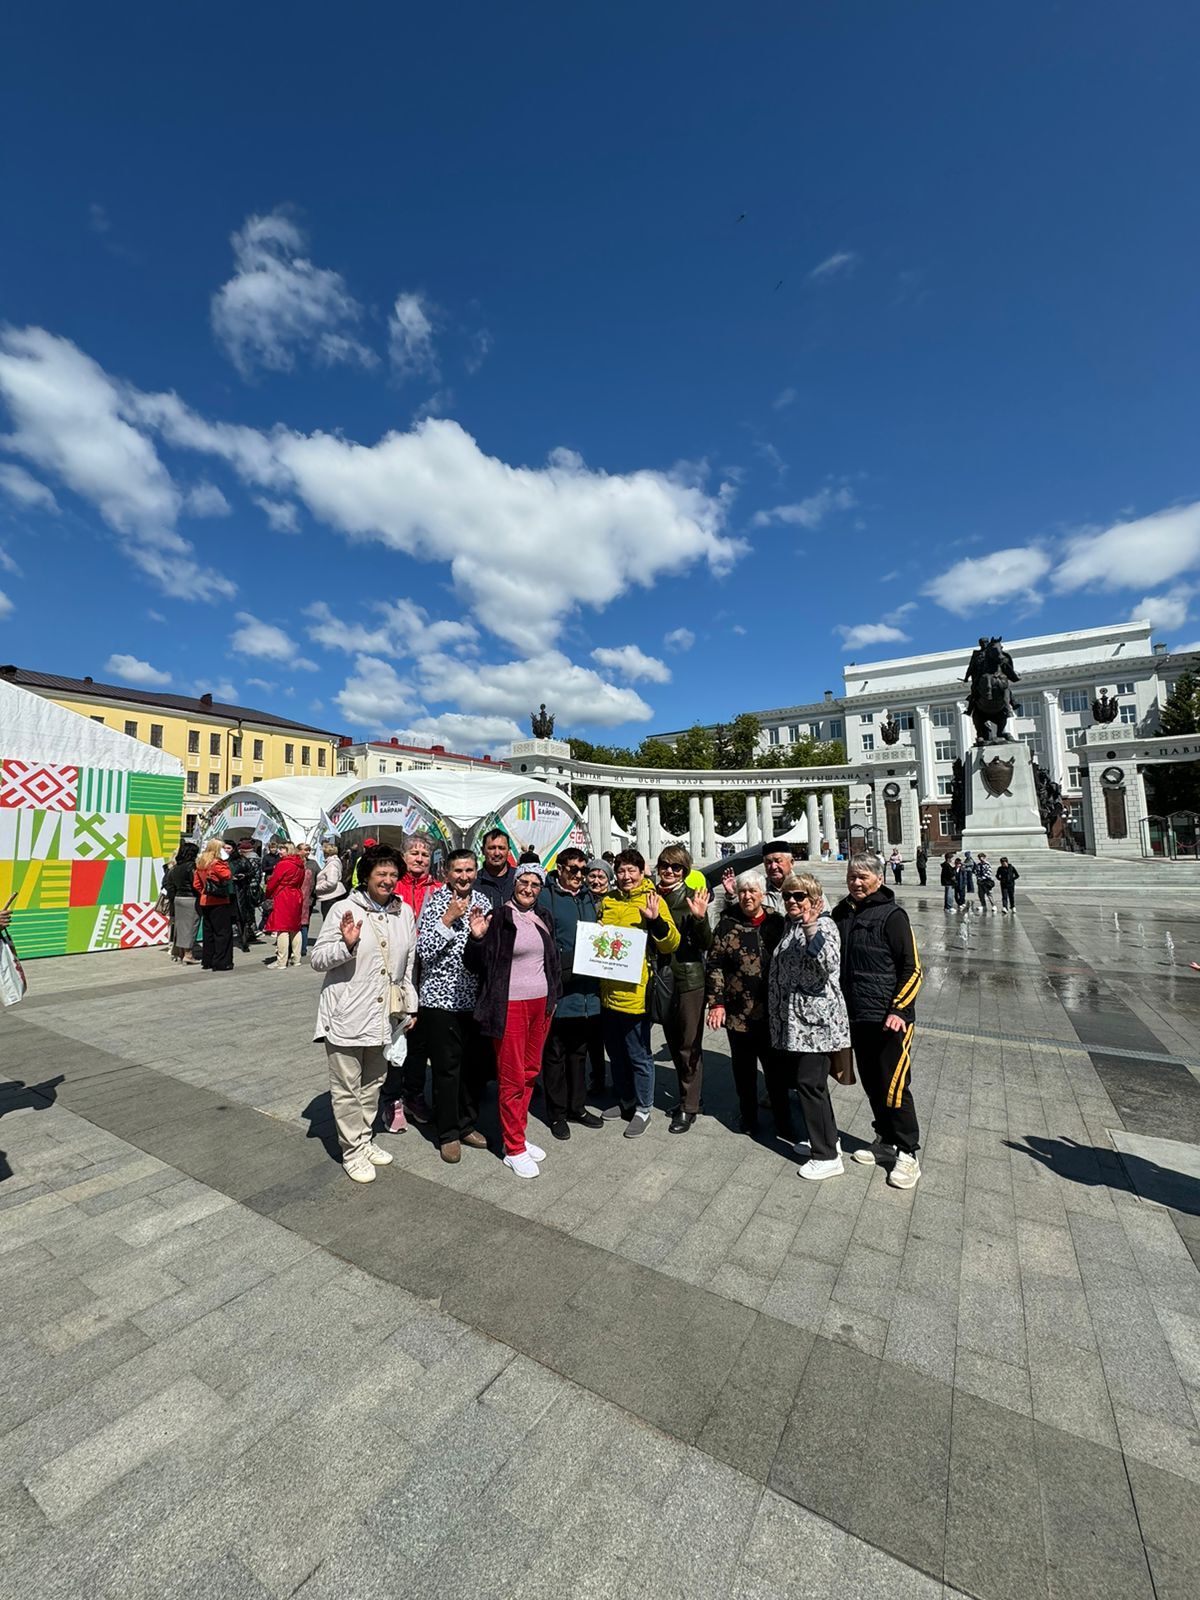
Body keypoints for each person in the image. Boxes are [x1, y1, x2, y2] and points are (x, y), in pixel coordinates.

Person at [310, 843, 417, 1183]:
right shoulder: (344, 909)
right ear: (366, 876)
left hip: (384, 1012)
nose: (387, 880)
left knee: (374, 1082)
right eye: (380, 874)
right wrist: (347, 945)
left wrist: (409, 1004)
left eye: (393, 875)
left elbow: (409, 963)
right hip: (347, 1011)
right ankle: (352, 1150)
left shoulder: (404, 912)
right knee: (346, 1087)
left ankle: (364, 1138)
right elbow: (317, 960)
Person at [832, 853, 923, 1190]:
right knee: (872, 1081)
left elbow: (911, 967)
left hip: (889, 1019)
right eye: (852, 876)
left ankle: (908, 1151)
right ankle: (885, 1139)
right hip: (855, 1015)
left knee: (895, 1084)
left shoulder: (893, 915)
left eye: (863, 876)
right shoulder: (841, 912)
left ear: (879, 879)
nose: (856, 882)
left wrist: (899, 1009)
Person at [465, 862, 561, 1177]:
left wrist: (553, 998)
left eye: (535, 884)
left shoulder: (542, 916)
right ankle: (513, 1147)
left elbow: (552, 961)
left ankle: (517, 1134)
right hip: (509, 1005)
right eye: (524, 882)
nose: (529, 888)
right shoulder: (499, 917)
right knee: (511, 1077)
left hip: (540, 1005)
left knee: (531, 1072)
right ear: (515, 883)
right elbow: (476, 964)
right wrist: (477, 938)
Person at [768, 871, 849, 1180]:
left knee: (809, 1084)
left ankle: (826, 1155)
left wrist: (812, 925)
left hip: (818, 1024)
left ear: (814, 899)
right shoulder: (792, 926)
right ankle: (829, 1141)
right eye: (787, 895)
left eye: (798, 896)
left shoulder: (823, 925)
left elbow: (828, 961)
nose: (791, 900)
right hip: (799, 1025)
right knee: (813, 1085)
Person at [416, 848, 494, 1163]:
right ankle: (447, 1132)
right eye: (458, 871)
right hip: (439, 1000)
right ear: (447, 873)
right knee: (447, 1069)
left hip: (471, 1000)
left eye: (469, 871)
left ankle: (466, 1123)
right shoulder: (434, 902)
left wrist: (480, 938)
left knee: (473, 1068)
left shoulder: (485, 903)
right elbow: (424, 951)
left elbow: (489, 950)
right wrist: (448, 920)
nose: (464, 877)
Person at [598, 848, 680, 1137]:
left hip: (636, 990)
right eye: (621, 870)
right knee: (616, 1052)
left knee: (638, 1054)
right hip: (607, 991)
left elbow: (671, 943)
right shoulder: (607, 901)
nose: (626, 876)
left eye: (632, 870)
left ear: (642, 870)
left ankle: (644, 1108)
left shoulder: (652, 899)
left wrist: (656, 920)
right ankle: (626, 1100)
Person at [705, 869, 791, 1138]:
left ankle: (783, 1119)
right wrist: (716, 1003)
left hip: (771, 1013)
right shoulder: (727, 923)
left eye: (752, 891)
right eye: (742, 891)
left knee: (776, 1072)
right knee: (743, 1071)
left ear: (762, 894)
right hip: (737, 1014)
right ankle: (749, 1116)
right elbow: (715, 964)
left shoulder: (777, 922)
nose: (747, 896)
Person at [536, 847, 605, 1139]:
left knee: (579, 1053)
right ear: (560, 868)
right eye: (573, 869)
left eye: (583, 870)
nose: (579, 875)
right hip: (560, 989)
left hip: (587, 992)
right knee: (555, 1055)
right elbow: (542, 942)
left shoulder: (589, 898)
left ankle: (577, 1107)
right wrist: (571, 961)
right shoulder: (546, 897)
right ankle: (557, 1113)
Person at [380, 830, 440, 1133]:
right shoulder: (393, 886)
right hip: (396, 975)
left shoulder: (438, 889)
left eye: (424, 854)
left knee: (419, 1042)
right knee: (394, 1037)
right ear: (404, 857)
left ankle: (414, 1095)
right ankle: (391, 1098)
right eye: (414, 853)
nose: (419, 858)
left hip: (426, 977)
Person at [654, 845, 713, 1134]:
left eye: (676, 867)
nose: (669, 871)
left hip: (689, 978)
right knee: (673, 1038)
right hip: (662, 977)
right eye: (664, 865)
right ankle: (688, 1097)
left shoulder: (692, 898)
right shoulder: (652, 895)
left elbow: (706, 944)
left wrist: (701, 919)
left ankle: (689, 1107)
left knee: (689, 1044)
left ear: (685, 871)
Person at [720, 840, 797, 915]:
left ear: (791, 862)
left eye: (778, 861)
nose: (773, 867)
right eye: (768, 862)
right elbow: (742, 913)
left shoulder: (803, 886)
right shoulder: (758, 886)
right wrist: (732, 895)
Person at [193, 840, 235, 971]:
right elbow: (227, 875)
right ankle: (221, 961)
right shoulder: (217, 863)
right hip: (219, 901)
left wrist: (204, 892)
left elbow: (196, 884)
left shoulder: (201, 862)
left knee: (208, 932)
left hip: (205, 900)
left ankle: (208, 960)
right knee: (223, 932)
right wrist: (225, 863)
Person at [264, 844, 306, 968]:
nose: (279, 851)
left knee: (282, 928)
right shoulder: (300, 864)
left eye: (282, 849)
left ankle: (281, 961)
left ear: (288, 850)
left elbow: (273, 881)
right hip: (296, 894)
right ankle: (296, 958)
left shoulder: (283, 864)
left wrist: (268, 894)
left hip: (284, 895)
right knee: (295, 928)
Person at [165, 841, 200, 965]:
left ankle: (180, 953)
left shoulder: (175, 868)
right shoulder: (191, 867)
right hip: (191, 899)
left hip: (178, 899)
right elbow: (196, 884)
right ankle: (188, 954)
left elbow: (170, 885)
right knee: (191, 927)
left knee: (180, 928)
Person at [230, 839, 261, 952]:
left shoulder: (244, 860)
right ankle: (249, 933)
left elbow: (251, 872)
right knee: (246, 914)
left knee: (242, 915)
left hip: (242, 890)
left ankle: (245, 937)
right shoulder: (225, 861)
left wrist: (244, 876)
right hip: (243, 889)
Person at [476, 828, 517, 910]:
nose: (497, 853)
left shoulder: (519, 879)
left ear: (509, 851)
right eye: (491, 848)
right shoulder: (474, 882)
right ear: (483, 851)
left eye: (501, 848)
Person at [314, 839, 346, 925]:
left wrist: (316, 888)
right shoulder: (333, 862)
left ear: (327, 853)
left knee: (330, 922)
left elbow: (331, 882)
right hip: (331, 896)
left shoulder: (332, 864)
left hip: (331, 897)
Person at [296, 843, 317, 955]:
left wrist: (315, 893)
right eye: (305, 850)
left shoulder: (313, 864)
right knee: (298, 923)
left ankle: (302, 948)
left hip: (308, 898)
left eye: (309, 850)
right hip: (297, 898)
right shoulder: (294, 863)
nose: (308, 852)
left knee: (304, 924)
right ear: (298, 851)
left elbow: (319, 877)